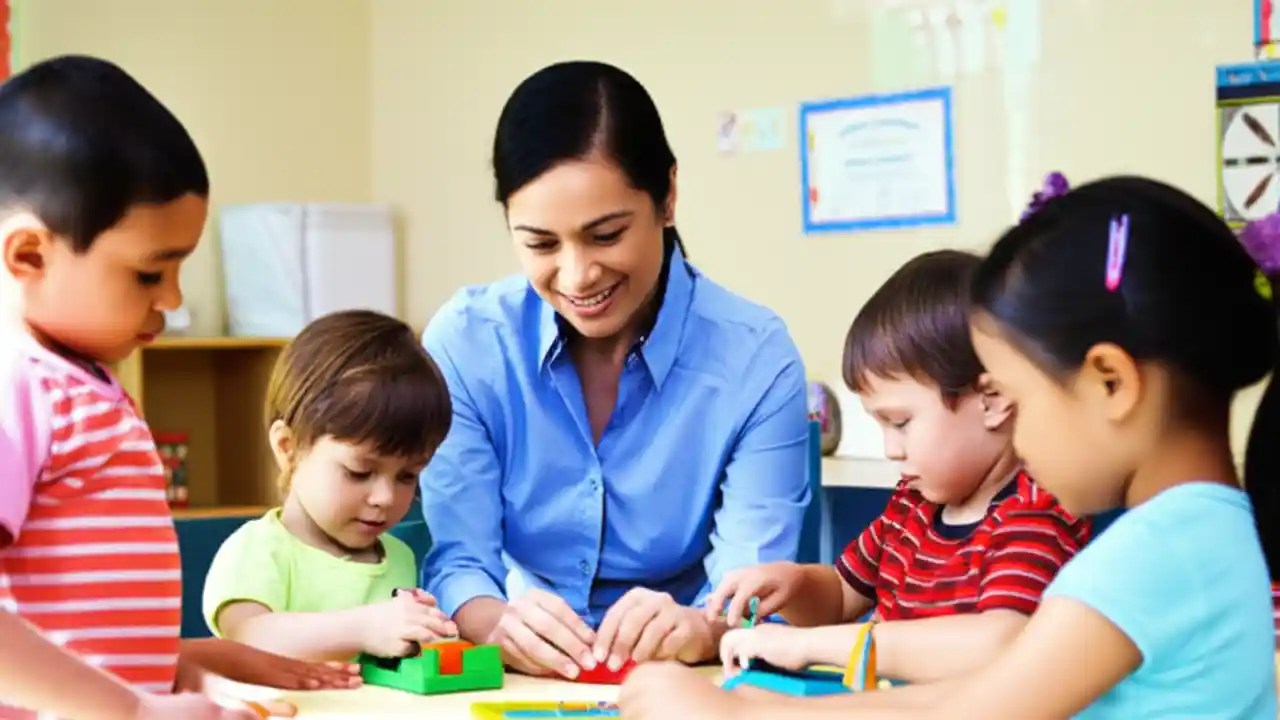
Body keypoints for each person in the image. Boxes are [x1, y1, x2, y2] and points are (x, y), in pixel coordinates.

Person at [617, 174, 1278, 719]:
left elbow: (975, 708)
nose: (1016, 433)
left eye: (1019, 399)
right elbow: (972, 698)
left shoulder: (1159, 553)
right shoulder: (1199, 533)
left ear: (1111, 382)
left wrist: (741, 714)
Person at [419, 60, 811, 680]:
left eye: (605, 235)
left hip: (689, 679)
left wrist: (700, 629)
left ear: (668, 197)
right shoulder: (468, 344)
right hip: (519, 675)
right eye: (540, 244)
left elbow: (754, 586)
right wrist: (495, 623)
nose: (577, 277)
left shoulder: (756, 359)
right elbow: (458, 559)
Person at [0, 55, 356, 720]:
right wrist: (130, 710)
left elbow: (75, 621)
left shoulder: (85, 385)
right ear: (29, 255)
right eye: (149, 274)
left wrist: (184, 663)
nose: (172, 299)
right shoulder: (16, 387)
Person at [708, 249, 1089, 685]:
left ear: (993, 400)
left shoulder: (1034, 512)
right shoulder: (911, 506)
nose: (890, 449)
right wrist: (792, 585)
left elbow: (999, 643)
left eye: (901, 423)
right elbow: (840, 597)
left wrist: (811, 646)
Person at [203, 309, 458, 661]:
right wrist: (363, 628)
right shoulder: (259, 551)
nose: (385, 497)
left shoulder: (400, 558)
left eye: (408, 475)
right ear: (288, 448)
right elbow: (248, 638)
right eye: (359, 472)